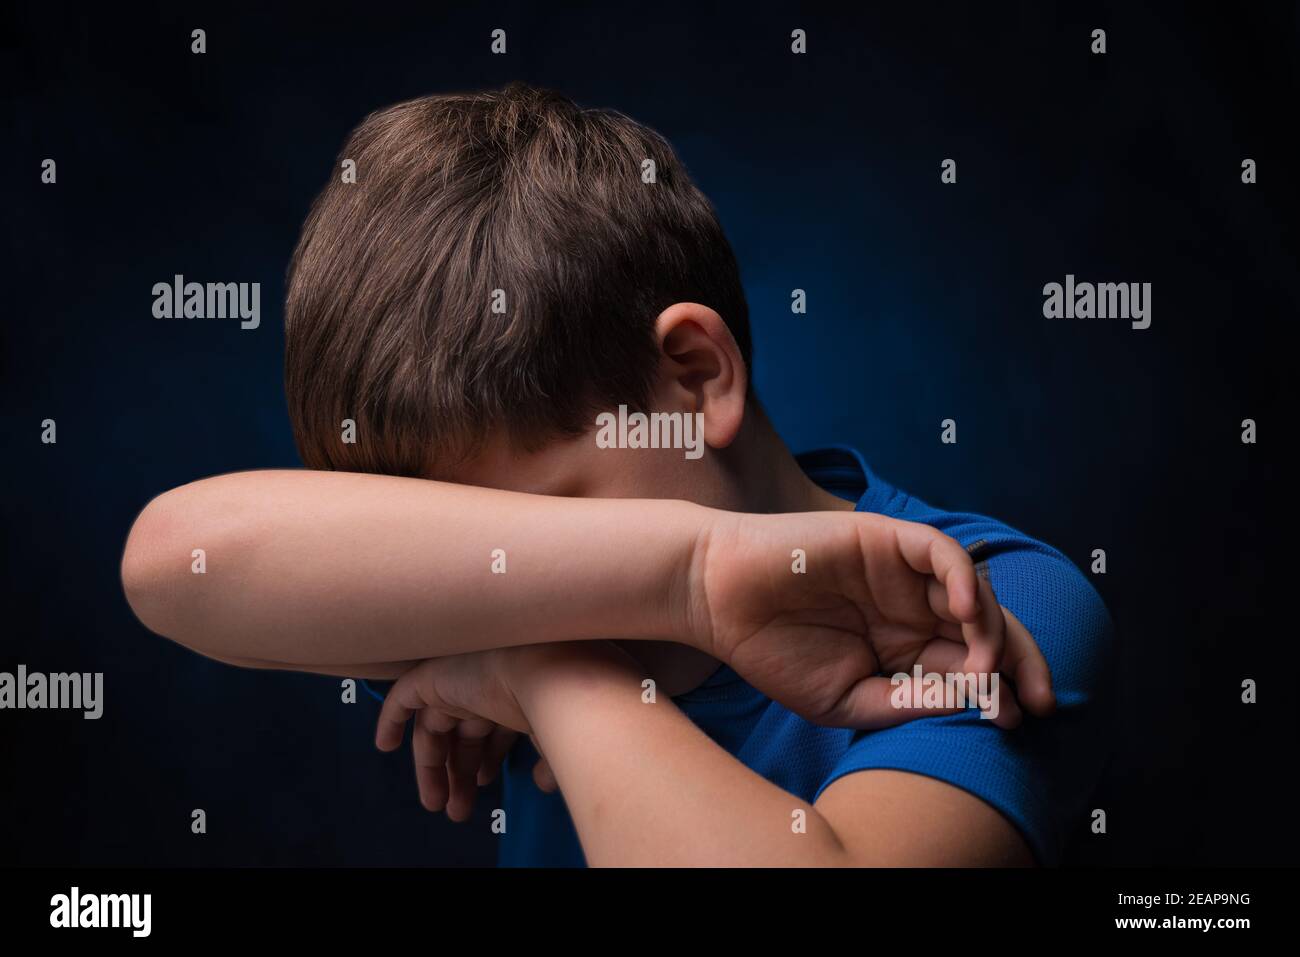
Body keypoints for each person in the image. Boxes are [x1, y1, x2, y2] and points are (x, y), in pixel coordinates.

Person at [121, 83, 1113, 866]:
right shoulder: (506, 615)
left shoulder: (984, 604)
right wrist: (687, 571)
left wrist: (545, 672)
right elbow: (176, 558)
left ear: (692, 377)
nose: (518, 594)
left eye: (554, 526)